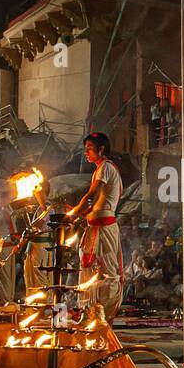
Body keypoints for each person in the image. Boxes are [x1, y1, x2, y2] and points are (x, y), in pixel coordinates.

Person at [71, 132, 124, 321]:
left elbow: (92, 195)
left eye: (89, 149)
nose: (86, 153)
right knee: (90, 270)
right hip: (94, 229)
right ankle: (90, 314)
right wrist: (80, 213)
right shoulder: (99, 169)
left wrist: (75, 212)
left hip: (104, 229)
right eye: (85, 149)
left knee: (107, 272)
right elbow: (94, 203)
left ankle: (104, 316)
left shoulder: (106, 168)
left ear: (101, 150)